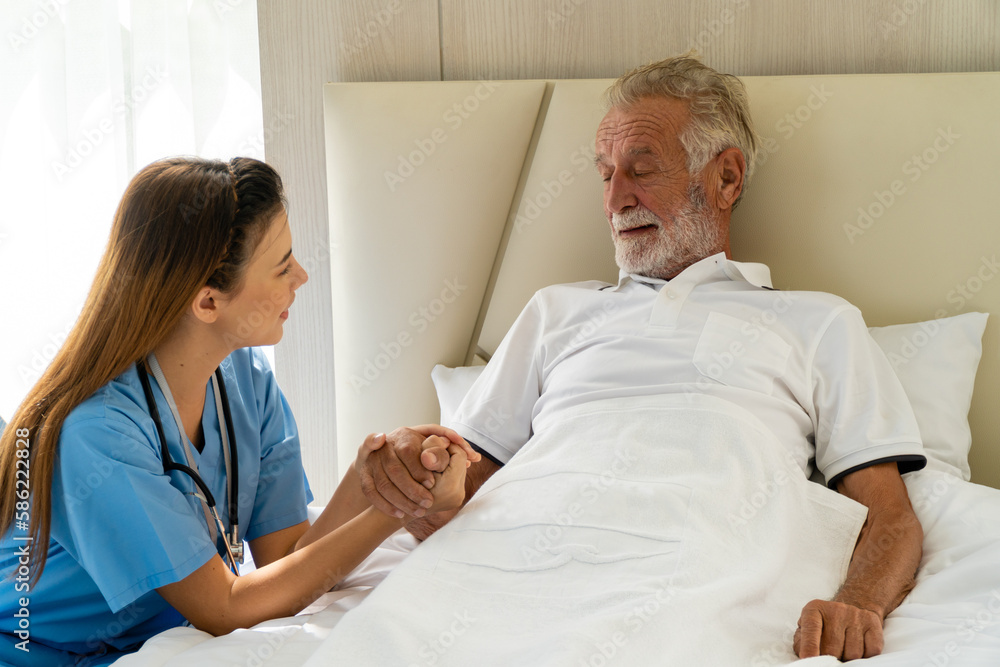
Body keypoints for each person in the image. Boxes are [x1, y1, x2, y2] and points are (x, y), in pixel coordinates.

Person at [357, 55, 927, 662]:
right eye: (604, 175)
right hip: (529, 555)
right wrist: (415, 481)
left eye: (642, 170)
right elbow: (463, 489)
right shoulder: (555, 312)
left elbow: (889, 515)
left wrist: (860, 602)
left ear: (726, 178)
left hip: (705, 562)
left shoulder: (819, 320)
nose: (615, 200)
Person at [0, 156, 472, 666]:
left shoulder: (247, 379)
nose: (302, 275)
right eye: (282, 266)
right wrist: (399, 510)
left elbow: (286, 560)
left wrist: (374, 478)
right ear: (207, 303)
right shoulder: (97, 434)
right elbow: (224, 608)